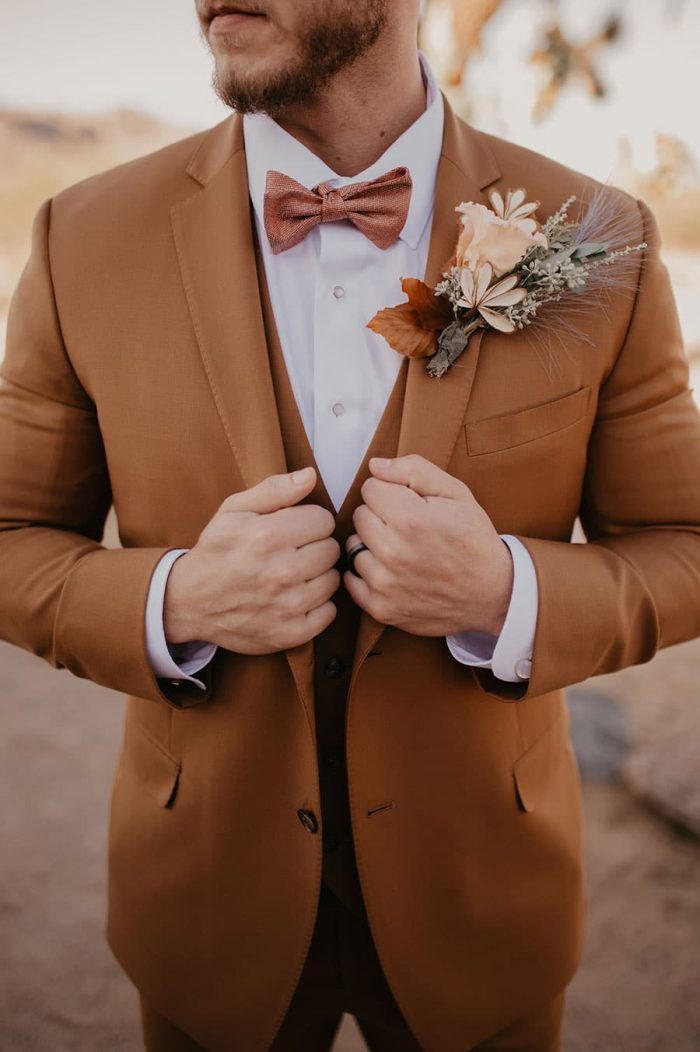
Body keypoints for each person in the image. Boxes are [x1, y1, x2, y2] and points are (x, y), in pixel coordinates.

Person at [1, 1, 699, 1050]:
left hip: (481, 892)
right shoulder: (81, 236)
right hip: (205, 896)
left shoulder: (593, 236)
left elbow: (682, 542)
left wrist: (506, 594)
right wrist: (172, 598)